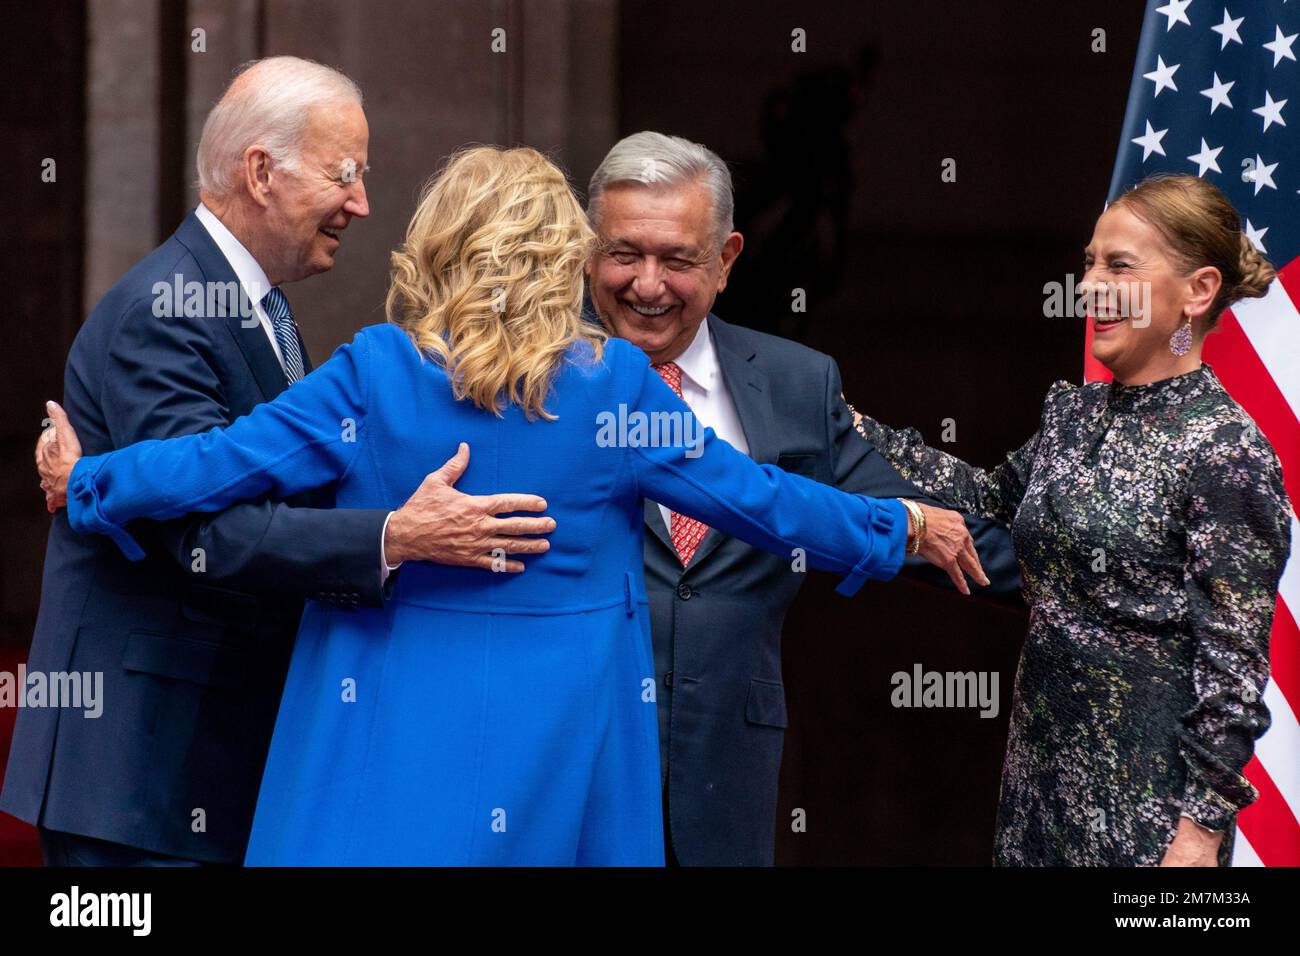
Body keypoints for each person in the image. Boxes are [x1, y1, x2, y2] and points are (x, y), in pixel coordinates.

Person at [47, 145, 983, 865]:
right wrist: (895, 523)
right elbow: (763, 502)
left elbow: (213, 466)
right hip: (560, 741)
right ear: (562, 258)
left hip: (382, 725)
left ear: (440, 246)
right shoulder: (613, 385)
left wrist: (87, 484)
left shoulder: (375, 373)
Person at [5, 57, 554, 867]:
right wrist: (395, 539)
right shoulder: (167, 310)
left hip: (198, 764)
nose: (362, 204)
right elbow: (210, 538)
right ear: (261, 172)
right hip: (136, 779)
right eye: (346, 175)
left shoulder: (257, 305)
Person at [582, 131, 1021, 865]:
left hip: (724, 783)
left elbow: (929, 529)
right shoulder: (528, 380)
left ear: (725, 261)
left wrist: (1100, 578)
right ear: (589, 252)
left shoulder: (793, 383)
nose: (648, 284)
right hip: (574, 770)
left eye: (679, 259)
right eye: (625, 253)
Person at [850, 175, 1292, 866]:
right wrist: (844, 426)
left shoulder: (1227, 452)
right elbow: (982, 497)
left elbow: (1233, 670)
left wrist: (1200, 832)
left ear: (1199, 291)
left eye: (1118, 265)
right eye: (1089, 262)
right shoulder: (1073, 415)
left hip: (1148, 824)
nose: (1089, 284)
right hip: (1036, 801)